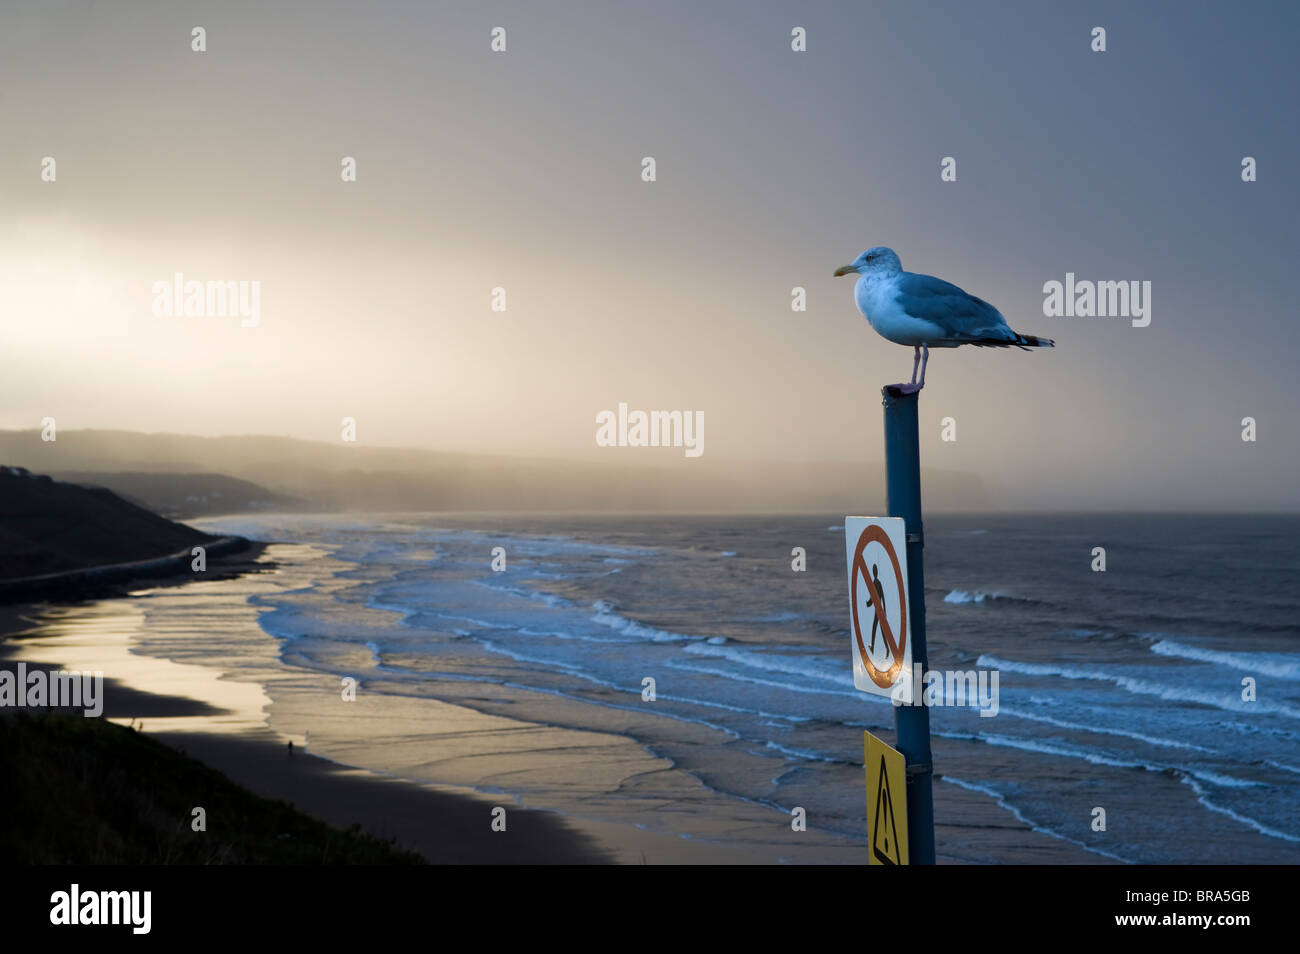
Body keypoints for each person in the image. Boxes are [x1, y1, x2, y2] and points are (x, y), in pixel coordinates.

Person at [864, 563, 886, 653]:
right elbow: (882, 596)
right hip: (880, 609)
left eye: (874, 571)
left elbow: (874, 597)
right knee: (882, 630)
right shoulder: (878, 582)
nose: (874, 572)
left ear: (874, 572)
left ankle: (876, 647)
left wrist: (868, 603)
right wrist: (884, 608)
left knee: (876, 628)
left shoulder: (875, 583)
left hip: (878, 610)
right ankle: (887, 649)